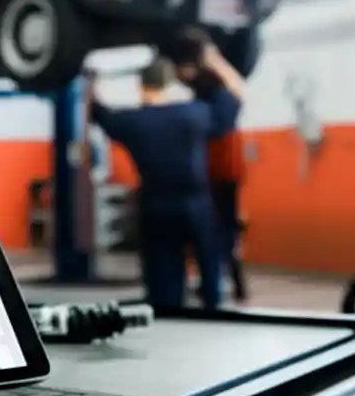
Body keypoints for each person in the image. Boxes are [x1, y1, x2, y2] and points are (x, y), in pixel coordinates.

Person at [88, 40, 245, 310]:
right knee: (209, 266)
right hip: (197, 204)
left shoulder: (131, 121)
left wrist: (91, 79)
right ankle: (213, 311)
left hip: (156, 206)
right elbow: (235, 95)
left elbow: (95, 110)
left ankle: (168, 316)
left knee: (163, 279)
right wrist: (213, 60)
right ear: (170, 84)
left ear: (141, 85)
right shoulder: (195, 114)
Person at [170, 29, 250, 303]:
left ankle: (217, 284)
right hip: (224, 171)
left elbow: (237, 91)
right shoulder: (215, 94)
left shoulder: (215, 99)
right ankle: (229, 284)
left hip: (218, 172)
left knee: (218, 231)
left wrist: (212, 57)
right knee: (225, 229)